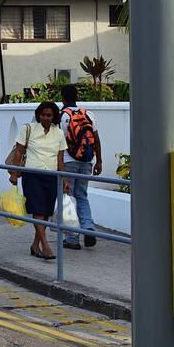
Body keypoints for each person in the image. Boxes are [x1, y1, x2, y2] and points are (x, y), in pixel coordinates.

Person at [7, 101, 66, 260]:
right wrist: (14, 173)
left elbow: (60, 158)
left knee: (46, 211)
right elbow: (19, 153)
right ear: (38, 115)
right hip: (32, 175)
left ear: (54, 117)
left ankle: (35, 245)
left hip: (52, 176)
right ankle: (45, 245)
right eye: (43, 115)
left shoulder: (59, 133)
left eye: (49, 115)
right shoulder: (28, 129)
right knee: (38, 210)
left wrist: (64, 178)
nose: (46, 118)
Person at [59, 84, 102, 249]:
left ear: (63, 97)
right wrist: (99, 161)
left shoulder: (62, 116)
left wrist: (59, 166)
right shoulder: (88, 114)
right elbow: (96, 139)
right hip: (86, 161)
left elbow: (59, 144)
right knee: (82, 195)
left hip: (68, 161)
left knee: (68, 198)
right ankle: (88, 227)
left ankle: (72, 238)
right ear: (76, 96)